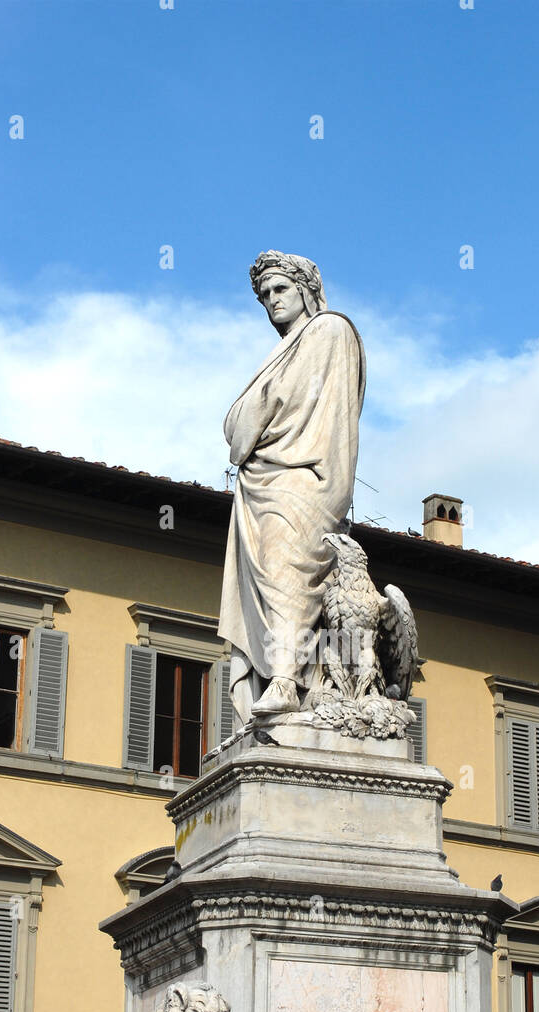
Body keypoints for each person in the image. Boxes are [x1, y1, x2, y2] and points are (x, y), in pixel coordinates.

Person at [218, 250, 366, 725]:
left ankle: (285, 678)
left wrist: (251, 416)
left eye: (280, 290)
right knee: (267, 575)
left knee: (287, 564)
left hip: (307, 478)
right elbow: (238, 431)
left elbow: (266, 411)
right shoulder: (286, 349)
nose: (271, 302)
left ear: (305, 290)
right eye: (264, 295)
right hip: (266, 480)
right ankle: (278, 682)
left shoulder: (329, 331)